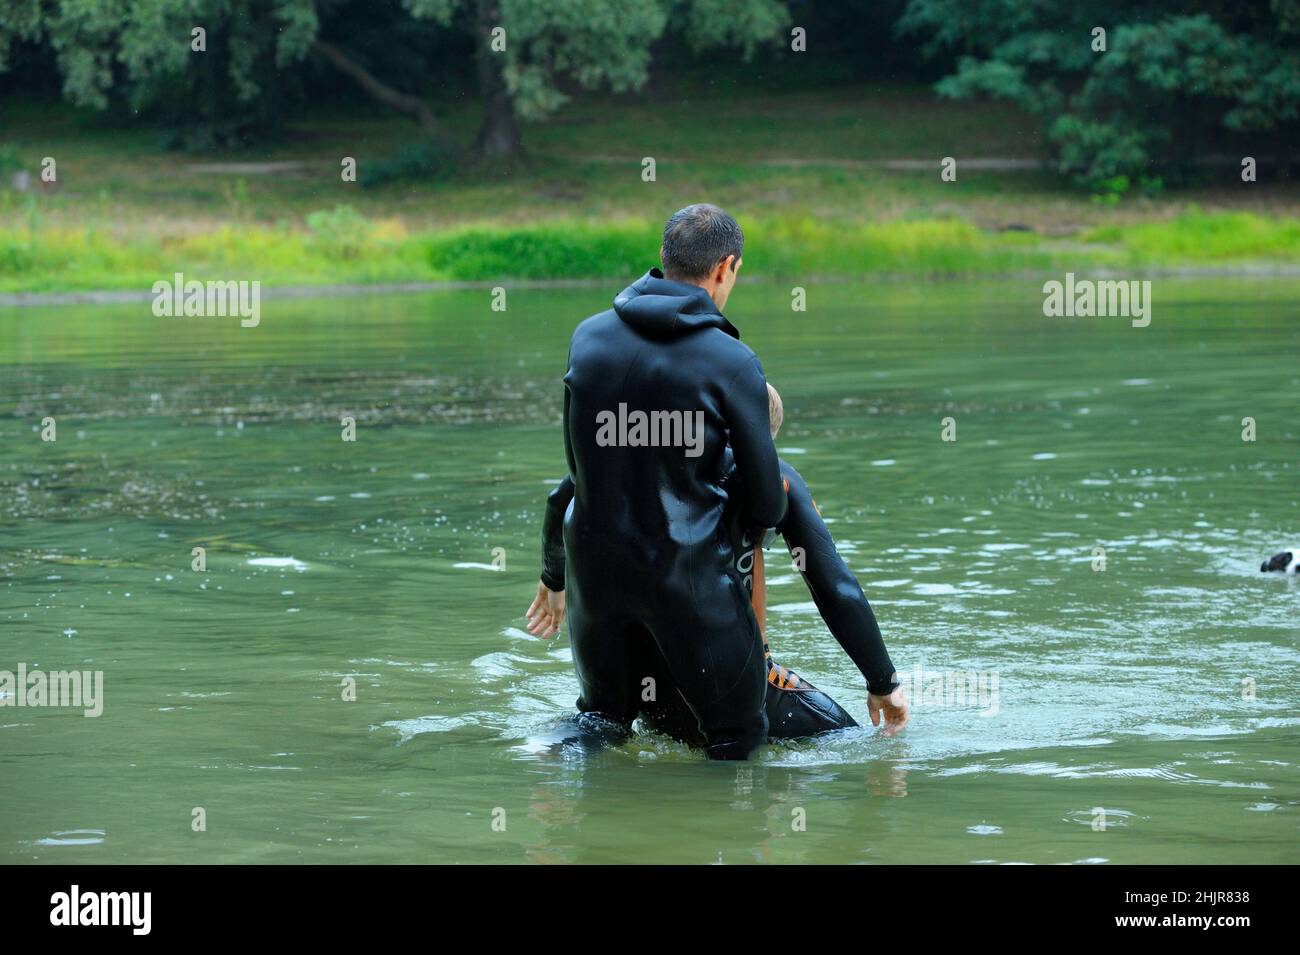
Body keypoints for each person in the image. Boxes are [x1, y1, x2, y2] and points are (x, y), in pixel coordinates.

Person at [527, 204, 785, 760]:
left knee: (601, 724)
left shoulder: (587, 339)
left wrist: (554, 573)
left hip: (595, 582)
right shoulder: (732, 360)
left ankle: (560, 803)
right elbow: (766, 505)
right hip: (687, 582)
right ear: (726, 268)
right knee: (737, 740)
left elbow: (577, 476)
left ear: (664, 260)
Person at [529, 384, 910, 744]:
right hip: (726, 686)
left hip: (637, 697)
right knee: (853, 739)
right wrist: (882, 681)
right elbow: (835, 586)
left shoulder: (619, 463)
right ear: (760, 438)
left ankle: (558, 754)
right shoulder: (773, 477)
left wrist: (553, 579)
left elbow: (557, 499)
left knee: (598, 724)